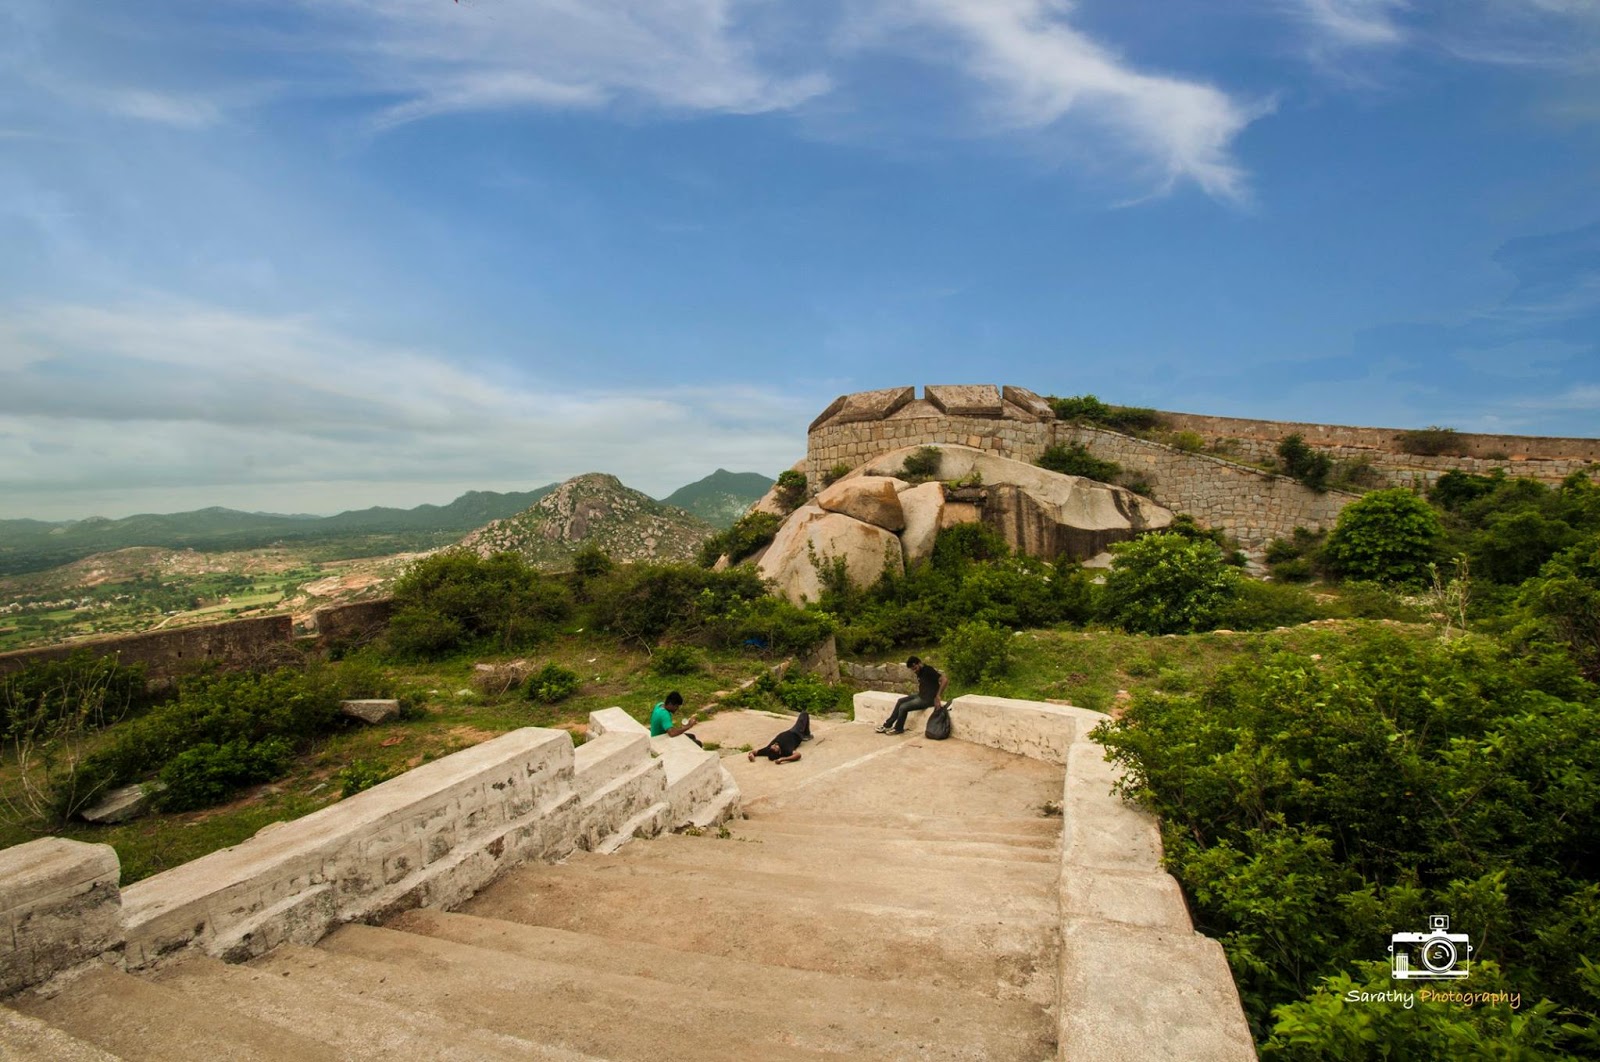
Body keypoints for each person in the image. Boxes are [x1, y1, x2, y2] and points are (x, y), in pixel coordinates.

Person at [876, 656, 947, 734]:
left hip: (927, 700)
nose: (914, 670)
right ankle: (887, 725)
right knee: (900, 701)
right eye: (912, 669)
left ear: (919, 663)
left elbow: (944, 680)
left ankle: (898, 728)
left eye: (915, 668)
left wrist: (938, 696)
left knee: (903, 707)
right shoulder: (920, 672)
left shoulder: (928, 670)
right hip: (921, 695)